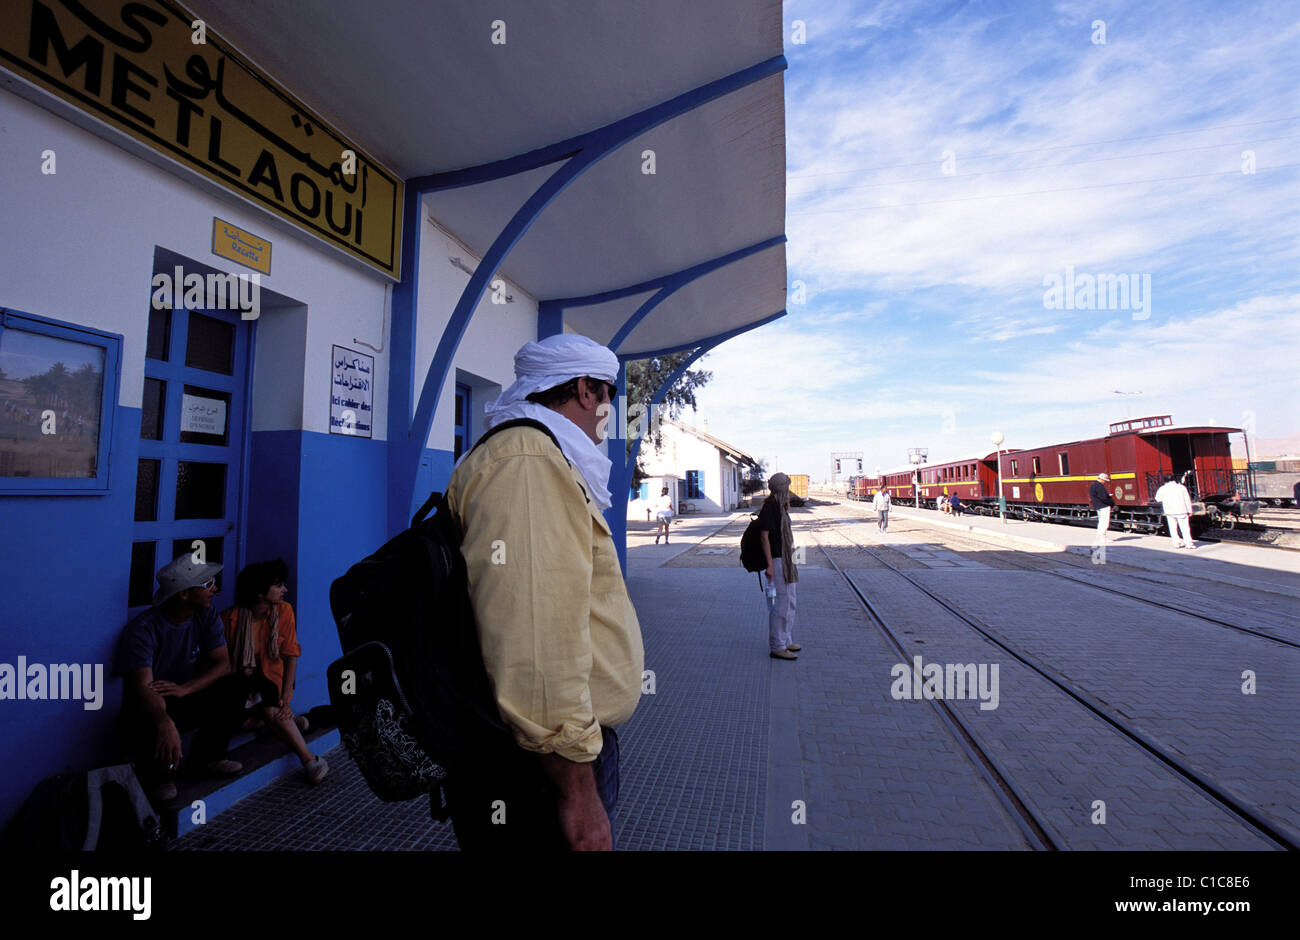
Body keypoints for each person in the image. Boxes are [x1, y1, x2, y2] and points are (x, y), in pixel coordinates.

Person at [445, 333, 644, 851]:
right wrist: (578, 794)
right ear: (585, 390)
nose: (610, 413)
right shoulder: (529, 462)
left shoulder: (541, 454)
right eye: (609, 398)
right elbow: (536, 641)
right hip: (543, 765)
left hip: (550, 754)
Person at [114, 556, 248, 803]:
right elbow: (143, 688)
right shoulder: (143, 629)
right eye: (207, 585)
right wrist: (165, 723)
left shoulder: (205, 615)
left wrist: (187, 689)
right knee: (148, 716)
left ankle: (210, 757)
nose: (215, 589)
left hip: (183, 693)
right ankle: (158, 777)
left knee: (236, 684)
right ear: (184, 594)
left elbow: (223, 663)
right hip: (151, 704)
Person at [219, 559, 328, 784]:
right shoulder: (229, 620)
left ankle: (310, 760)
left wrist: (285, 698)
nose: (284, 590)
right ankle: (287, 724)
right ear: (259, 593)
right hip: (241, 687)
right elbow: (223, 665)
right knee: (253, 720)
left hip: (270, 686)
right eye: (278, 586)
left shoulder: (284, 612)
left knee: (272, 710)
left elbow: (290, 656)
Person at [760, 472, 800, 661]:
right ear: (781, 488)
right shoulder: (770, 507)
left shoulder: (782, 506)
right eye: (786, 486)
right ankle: (777, 645)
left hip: (786, 559)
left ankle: (786, 639)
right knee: (780, 605)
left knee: (790, 601)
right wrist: (769, 565)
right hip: (776, 561)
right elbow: (764, 537)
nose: (789, 490)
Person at [1153, 473, 1195, 549]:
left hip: (1169, 511)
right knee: (1185, 528)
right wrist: (1190, 510)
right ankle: (1189, 544)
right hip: (1182, 510)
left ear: (1165, 481)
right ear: (1174, 479)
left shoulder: (1162, 488)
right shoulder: (1181, 488)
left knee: (1173, 528)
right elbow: (1187, 500)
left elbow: (1158, 499)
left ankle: (1176, 543)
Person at [1089, 473, 1116, 543]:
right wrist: (1111, 503)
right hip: (1103, 506)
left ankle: (1099, 536)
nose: (1105, 482)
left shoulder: (1093, 485)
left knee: (1101, 521)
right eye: (1105, 480)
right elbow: (1103, 497)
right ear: (1102, 479)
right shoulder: (1099, 486)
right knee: (1104, 522)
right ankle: (1103, 537)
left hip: (1097, 506)